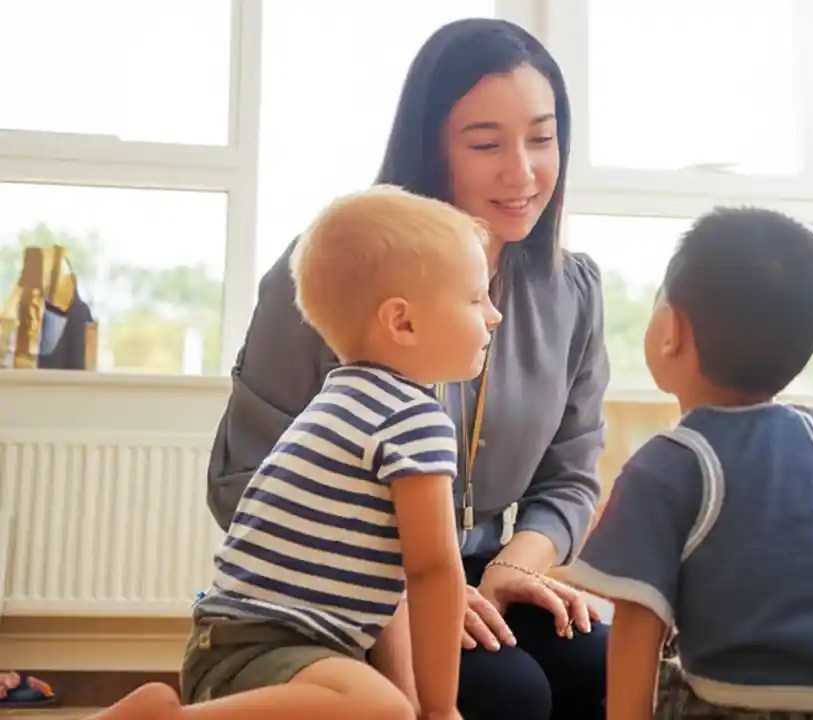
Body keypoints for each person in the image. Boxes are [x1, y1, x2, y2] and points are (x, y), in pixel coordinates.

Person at [204, 19, 608, 720]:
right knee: (507, 694)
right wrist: (409, 585)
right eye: (486, 144)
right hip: (342, 591)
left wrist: (515, 568)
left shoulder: (573, 289)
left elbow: (569, 476)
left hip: (477, 570)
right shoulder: (332, 274)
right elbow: (243, 483)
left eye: (542, 139)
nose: (523, 172)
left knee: (598, 659)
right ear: (432, 148)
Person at [91, 186, 496, 719]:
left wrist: (415, 704)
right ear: (403, 322)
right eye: (475, 299)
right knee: (379, 710)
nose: (494, 315)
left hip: (234, 647)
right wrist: (441, 709)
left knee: (387, 708)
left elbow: (395, 590)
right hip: (266, 653)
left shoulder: (339, 397)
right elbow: (433, 573)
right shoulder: (411, 419)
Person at [563, 207, 813, 720]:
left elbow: (635, 632)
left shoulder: (663, 466)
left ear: (671, 330)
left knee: (672, 669)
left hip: (737, 707)